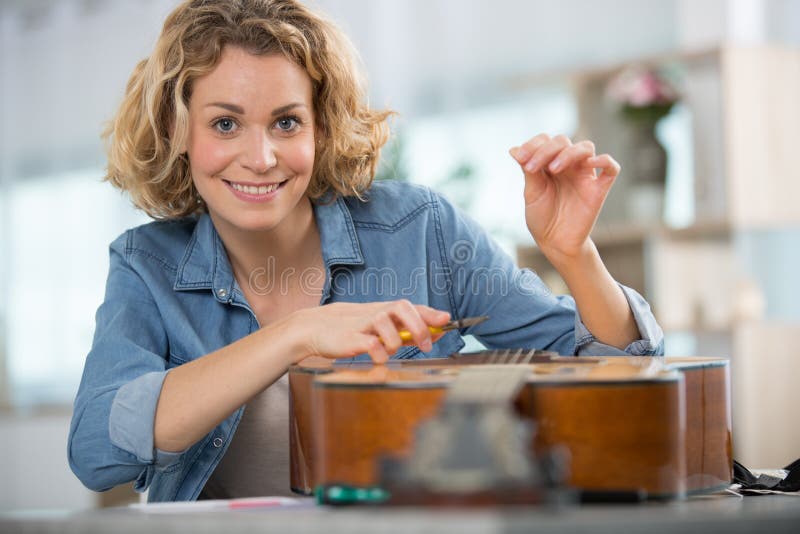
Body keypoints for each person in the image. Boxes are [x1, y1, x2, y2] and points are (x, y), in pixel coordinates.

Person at [68, 0, 663, 502]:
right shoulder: (148, 265)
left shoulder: (421, 230)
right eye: (225, 124)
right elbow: (97, 449)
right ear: (179, 132)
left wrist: (574, 254)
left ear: (319, 127)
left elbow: (626, 377)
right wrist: (295, 335)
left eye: (286, 122)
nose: (261, 157)